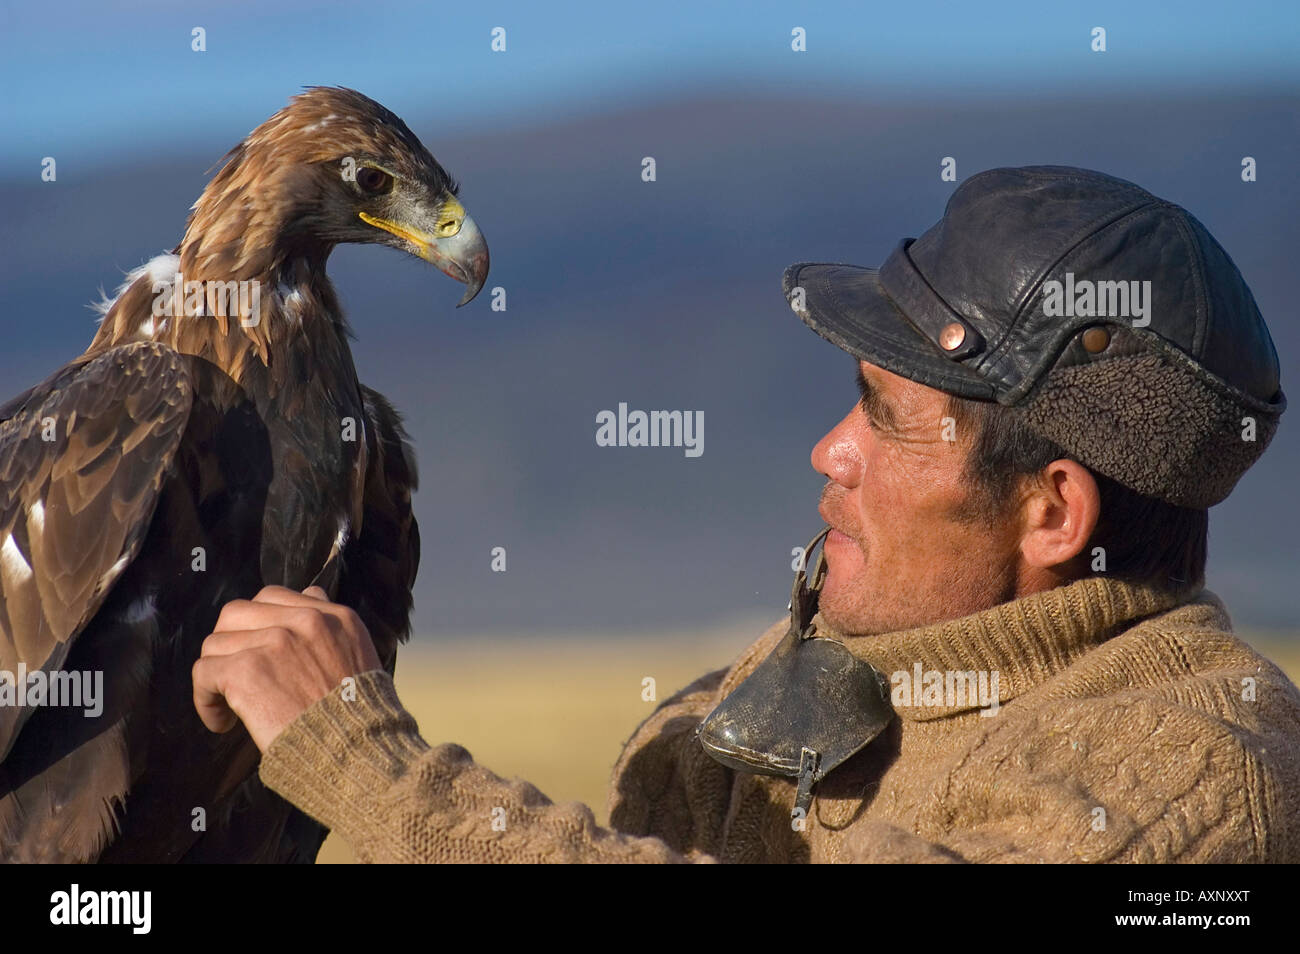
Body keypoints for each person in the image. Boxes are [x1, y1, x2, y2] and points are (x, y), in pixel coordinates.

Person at [192, 165, 1300, 863]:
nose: (832, 449)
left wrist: (365, 767)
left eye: (889, 418)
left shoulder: (1203, 783)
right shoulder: (797, 684)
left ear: (1054, 514)